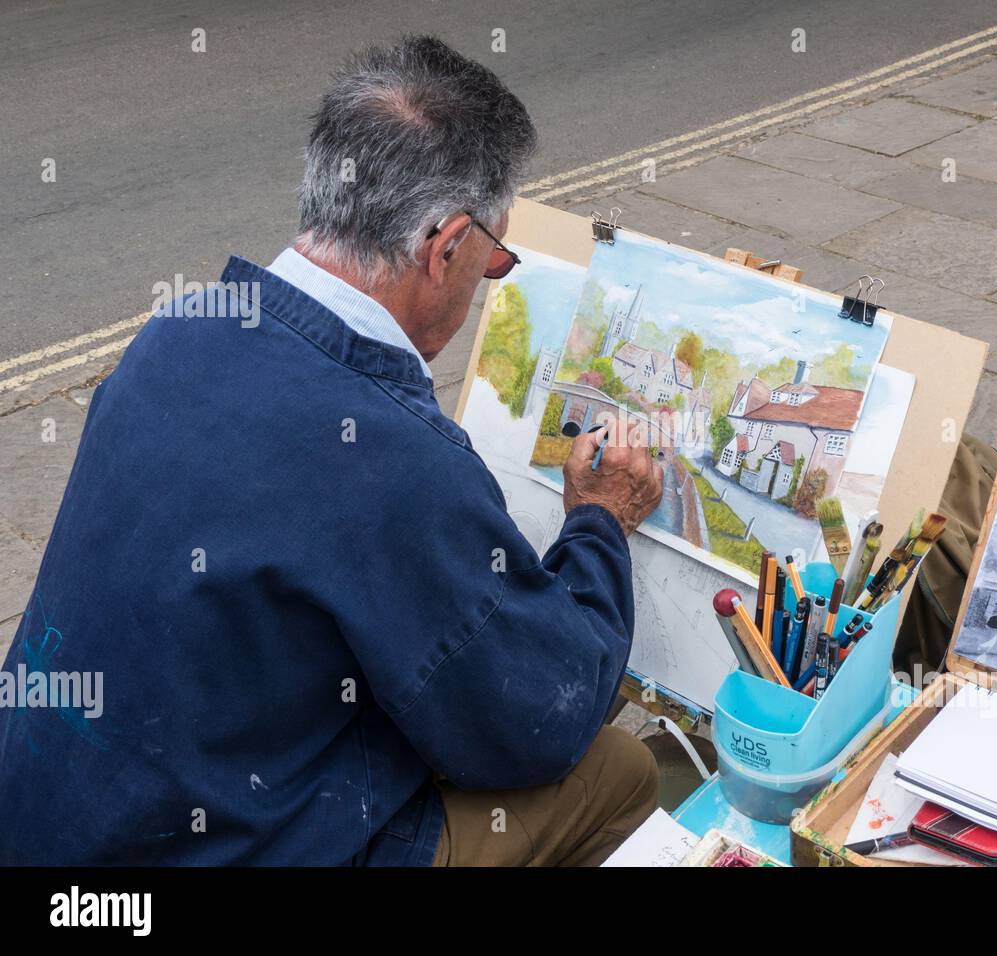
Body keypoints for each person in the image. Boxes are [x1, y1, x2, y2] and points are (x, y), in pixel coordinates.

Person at [0, 35, 665, 866]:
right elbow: (541, 717)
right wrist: (599, 522)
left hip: (49, 818)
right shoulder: (389, 457)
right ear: (446, 245)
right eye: (494, 261)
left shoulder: (178, 330)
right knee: (623, 771)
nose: (485, 279)